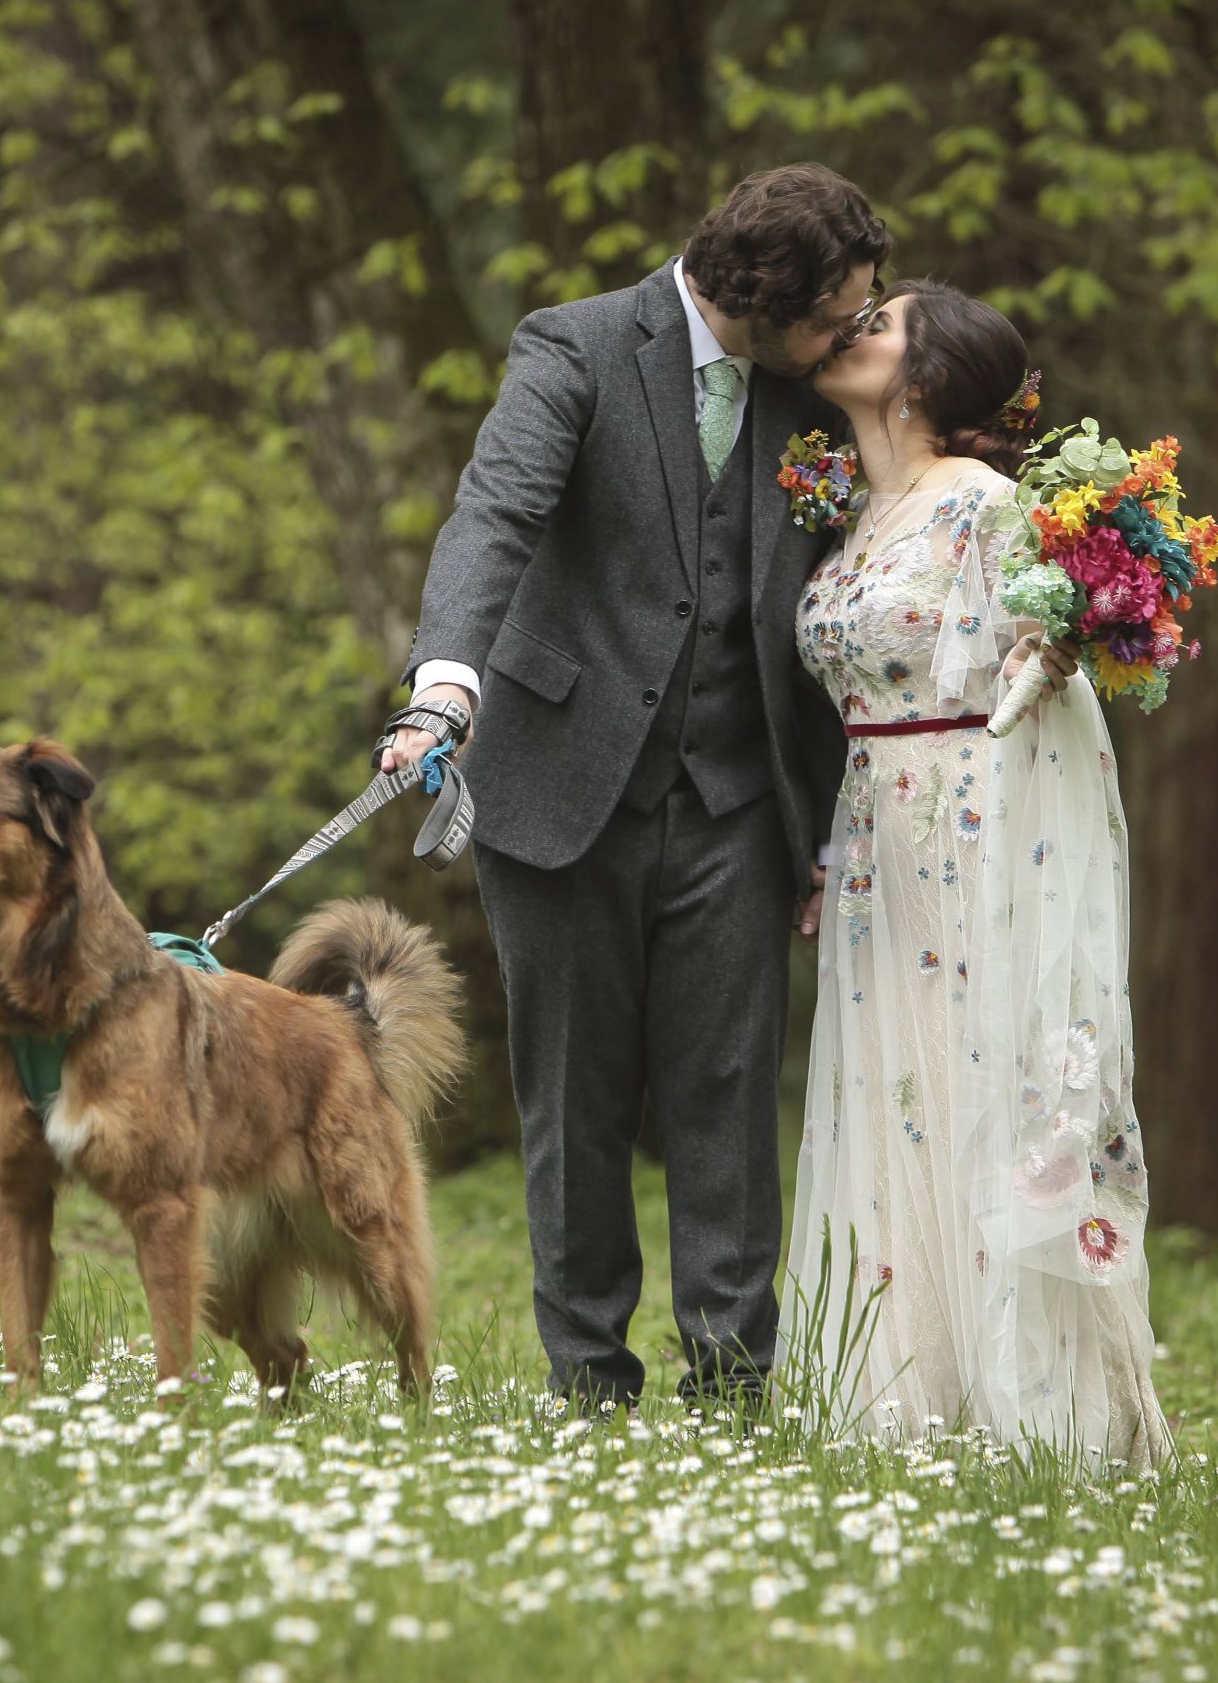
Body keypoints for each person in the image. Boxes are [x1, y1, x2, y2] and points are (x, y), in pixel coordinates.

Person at [383, 164, 887, 1407]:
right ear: (764, 295)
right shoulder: (577, 346)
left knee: (726, 1099)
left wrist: (819, 816)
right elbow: (491, 517)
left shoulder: (809, 395)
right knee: (575, 1102)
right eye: (837, 316)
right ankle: (589, 1383)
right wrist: (446, 680)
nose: (855, 338)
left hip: (738, 801)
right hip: (559, 784)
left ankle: (730, 1385)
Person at [783, 281, 1175, 1468]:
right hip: (873, 848)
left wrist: (1045, 649)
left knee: (980, 1080)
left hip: (972, 827)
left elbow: (1046, 680)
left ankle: (1036, 1404)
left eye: (880, 323)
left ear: (929, 375)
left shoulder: (988, 508)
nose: (853, 332)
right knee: (892, 1089)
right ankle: (902, 1386)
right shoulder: (855, 512)